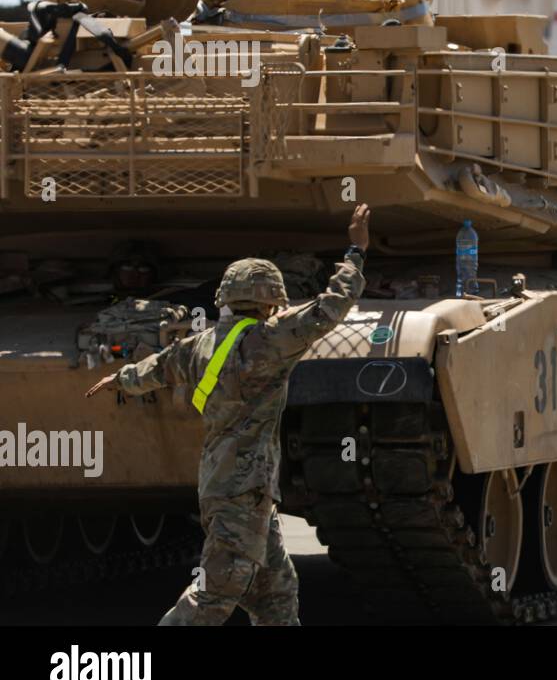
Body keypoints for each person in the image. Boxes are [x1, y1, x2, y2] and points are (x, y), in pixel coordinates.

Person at [85, 204, 371, 623]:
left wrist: (122, 378)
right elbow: (332, 306)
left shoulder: (202, 344)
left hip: (229, 484)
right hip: (245, 488)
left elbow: (162, 365)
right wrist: (356, 251)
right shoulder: (270, 341)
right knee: (215, 595)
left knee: (277, 596)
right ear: (273, 301)